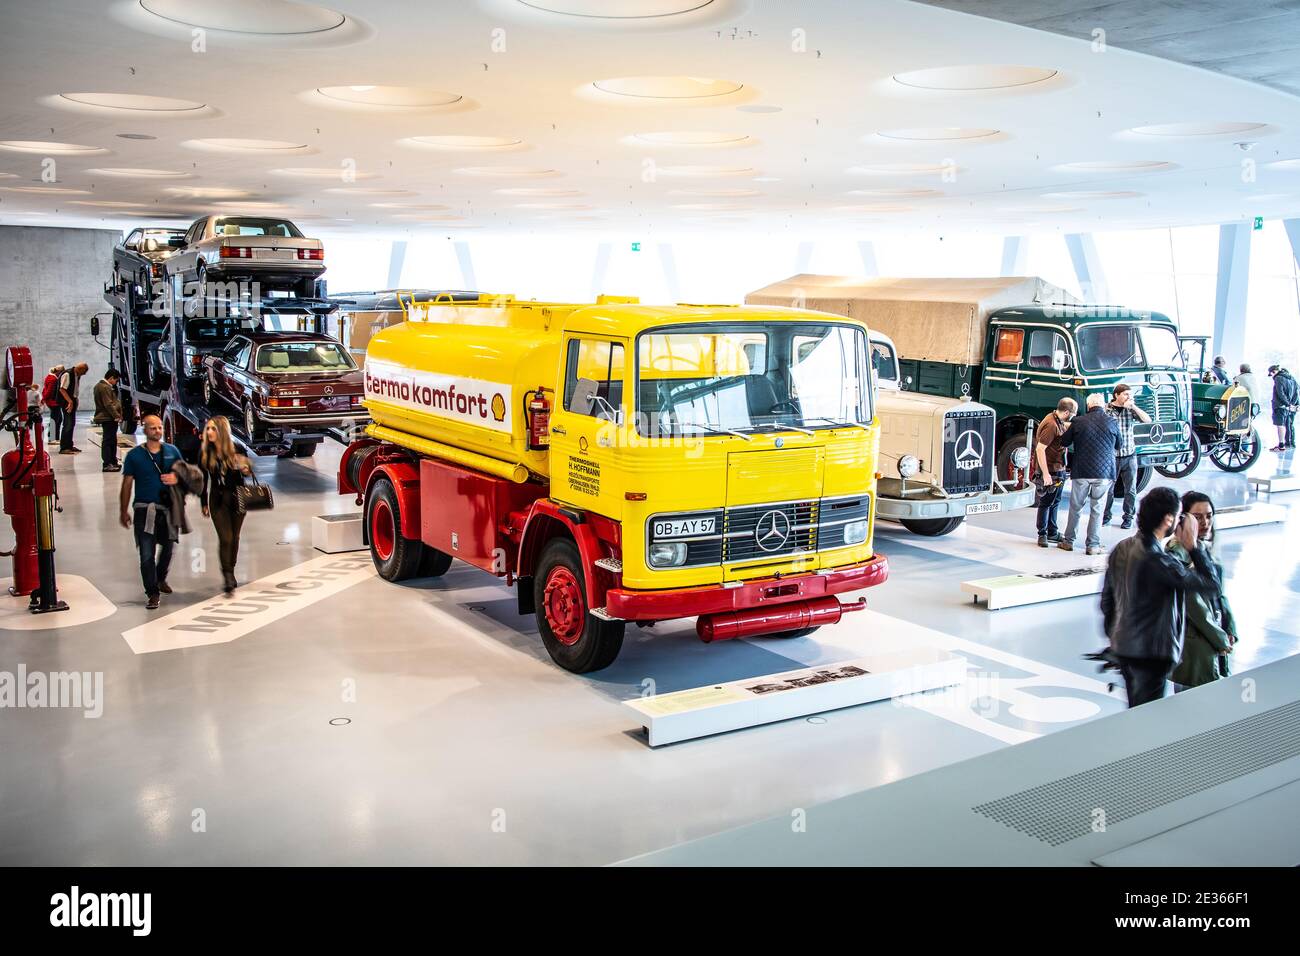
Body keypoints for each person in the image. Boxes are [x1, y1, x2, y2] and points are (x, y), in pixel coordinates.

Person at [1108, 486, 1219, 707]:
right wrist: (1194, 546)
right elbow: (1210, 584)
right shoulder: (1160, 561)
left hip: (1126, 649)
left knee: (1137, 710)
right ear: (1169, 520)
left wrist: (1115, 639)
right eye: (1179, 517)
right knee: (1147, 716)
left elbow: (1107, 602)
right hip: (1152, 656)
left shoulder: (1122, 548)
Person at [1168, 491, 1237, 691]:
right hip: (1193, 645)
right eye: (1198, 517)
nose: (1205, 522)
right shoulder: (1177, 556)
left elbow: (1220, 594)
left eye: (1208, 515)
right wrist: (1220, 637)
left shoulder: (1205, 551)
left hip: (1212, 640)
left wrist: (1230, 627)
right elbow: (1192, 605)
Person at [119, 415, 183, 610]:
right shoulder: (134, 456)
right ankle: (152, 592)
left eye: (160, 427)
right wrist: (123, 510)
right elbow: (127, 484)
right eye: (153, 428)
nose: (157, 431)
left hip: (168, 510)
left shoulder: (172, 451)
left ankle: (160, 577)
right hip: (144, 510)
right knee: (146, 554)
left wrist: (176, 478)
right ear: (145, 430)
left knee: (169, 548)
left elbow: (184, 474)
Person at [1058, 393, 1120, 556]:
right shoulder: (1112, 422)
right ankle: (1092, 546)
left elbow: (1064, 442)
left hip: (1082, 471)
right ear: (1103, 405)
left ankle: (1068, 541)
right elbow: (1119, 445)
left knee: (1076, 507)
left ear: (1088, 405)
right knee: (1097, 509)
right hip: (1104, 472)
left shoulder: (1078, 421)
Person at [199, 416, 252, 596]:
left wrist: (245, 468)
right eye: (208, 429)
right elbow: (203, 479)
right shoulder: (206, 451)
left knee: (235, 537)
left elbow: (247, 471)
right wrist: (203, 502)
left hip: (237, 498)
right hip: (217, 500)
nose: (209, 432)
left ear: (221, 431)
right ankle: (227, 574)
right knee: (226, 538)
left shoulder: (237, 449)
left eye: (213, 429)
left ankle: (232, 567)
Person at [1103, 382, 1150, 529]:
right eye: (1126, 394)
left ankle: (1128, 517)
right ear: (1117, 395)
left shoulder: (1131, 410)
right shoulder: (1106, 409)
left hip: (1129, 455)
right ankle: (1106, 516)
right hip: (1112, 455)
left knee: (1130, 489)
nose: (1129, 397)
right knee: (1109, 489)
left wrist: (1133, 407)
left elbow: (1147, 420)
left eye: (1130, 394)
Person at [1033, 397, 1076, 547]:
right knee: (1045, 502)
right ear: (1066, 412)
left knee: (1055, 501)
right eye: (1072, 414)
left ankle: (1052, 532)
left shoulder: (1056, 419)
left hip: (1059, 468)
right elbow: (1040, 449)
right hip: (1051, 470)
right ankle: (1042, 534)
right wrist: (1045, 474)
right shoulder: (1051, 424)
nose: (1073, 417)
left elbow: (1065, 425)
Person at [92, 368, 124, 472]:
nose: (116, 383)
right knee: (108, 441)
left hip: (108, 417)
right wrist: (117, 415)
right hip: (108, 417)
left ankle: (112, 461)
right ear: (111, 378)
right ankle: (107, 463)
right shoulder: (104, 387)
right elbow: (108, 404)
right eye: (116, 380)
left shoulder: (100, 386)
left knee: (111, 440)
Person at [55, 361, 89, 455]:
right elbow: (62, 389)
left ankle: (69, 445)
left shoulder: (76, 375)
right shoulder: (67, 374)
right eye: (84, 372)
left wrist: (75, 399)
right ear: (80, 369)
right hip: (66, 401)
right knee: (68, 424)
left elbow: (74, 389)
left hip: (72, 400)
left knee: (71, 423)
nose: (84, 374)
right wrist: (70, 401)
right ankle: (64, 447)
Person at [1268, 365, 1297, 451]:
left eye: (1271, 374)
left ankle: (1281, 445)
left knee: (1280, 425)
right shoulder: (1291, 378)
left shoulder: (1278, 378)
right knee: (1287, 425)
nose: (1272, 376)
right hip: (1288, 407)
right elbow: (1296, 392)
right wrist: (1293, 404)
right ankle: (1288, 443)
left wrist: (1287, 403)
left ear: (1274, 371)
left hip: (1280, 406)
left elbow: (1280, 393)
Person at [43, 364, 66, 446]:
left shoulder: (50, 377)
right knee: (54, 420)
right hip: (53, 402)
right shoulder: (53, 379)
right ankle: (52, 438)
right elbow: (49, 391)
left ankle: (55, 438)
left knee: (58, 419)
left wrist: (44, 399)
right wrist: (43, 399)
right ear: (59, 372)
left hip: (52, 402)